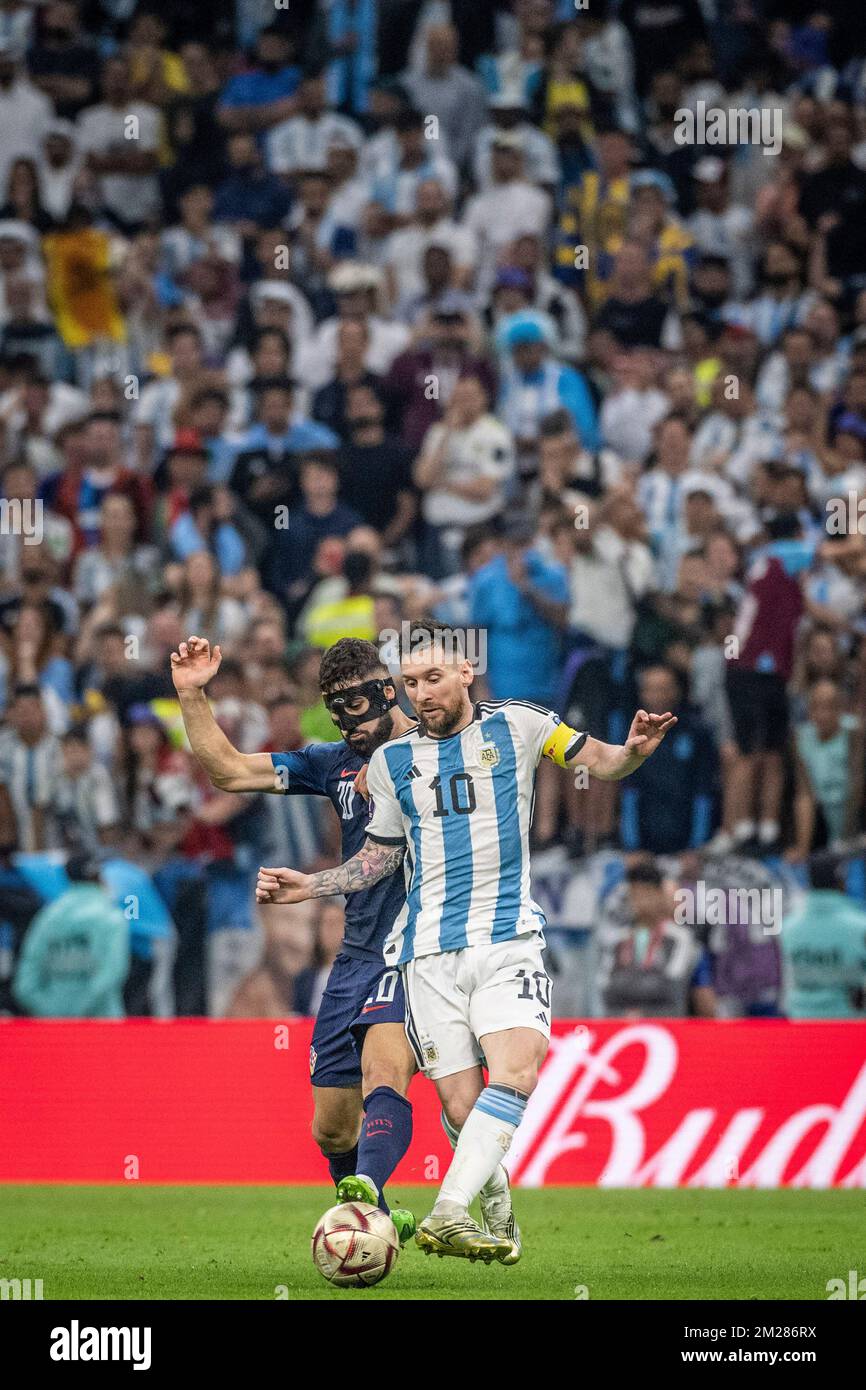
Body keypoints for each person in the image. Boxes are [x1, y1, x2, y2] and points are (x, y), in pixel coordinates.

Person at [255, 617, 676, 1261]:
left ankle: (448, 1211)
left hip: (507, 940)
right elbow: (377, 860)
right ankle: (498, 1210)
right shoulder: (391, 763)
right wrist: (310, 886)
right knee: (461, 1108)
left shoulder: (521, 725)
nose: (422, 693)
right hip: (426, 955)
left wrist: (635, 750)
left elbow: (604, 761)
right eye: (410, 683)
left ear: (464, 672)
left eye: (433, 678)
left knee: (517, 1070)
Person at [170, 633, 421, 1242]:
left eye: (356, 705)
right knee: (331, 1129)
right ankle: (375, 1214)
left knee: (384, 1073)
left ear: (387, 692)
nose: (349, 723)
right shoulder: (332, 763)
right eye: (336, 711)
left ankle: (374, 1205)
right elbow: (230, 771)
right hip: (356, 954)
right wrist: (192, 695)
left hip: (419, 947)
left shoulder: (436, 749)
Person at [13, 852, 130, 1018]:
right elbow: (112, 971)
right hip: (101, 1021)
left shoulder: (48, 917)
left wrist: (52, 1012)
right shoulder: (110, 916)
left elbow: (26, 981)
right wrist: (80, 1009)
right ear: (99, 876)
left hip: (53, 1023)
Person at [781, 853, 866, 1020]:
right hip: (850, 1023)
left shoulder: (788, 928)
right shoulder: (860, 927)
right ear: (842, 881)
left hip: (800, 1021)